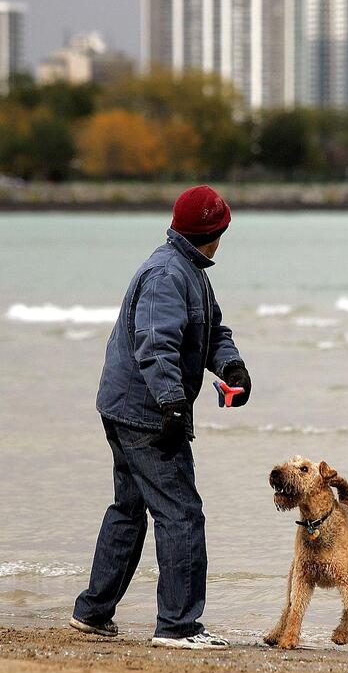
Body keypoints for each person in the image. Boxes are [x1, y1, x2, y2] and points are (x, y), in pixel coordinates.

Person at [70, 185, 251, 649]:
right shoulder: (168, 274)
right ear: (214, 231)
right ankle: (178, 627)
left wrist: (231, 366)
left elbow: (212, 331)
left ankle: (92, 613)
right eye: (223, 229)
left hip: (126, 404)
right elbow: (155, 344)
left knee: (129, 509)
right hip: (143, 411)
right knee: (182, 513)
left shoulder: (188, 269)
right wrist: (171, 404)